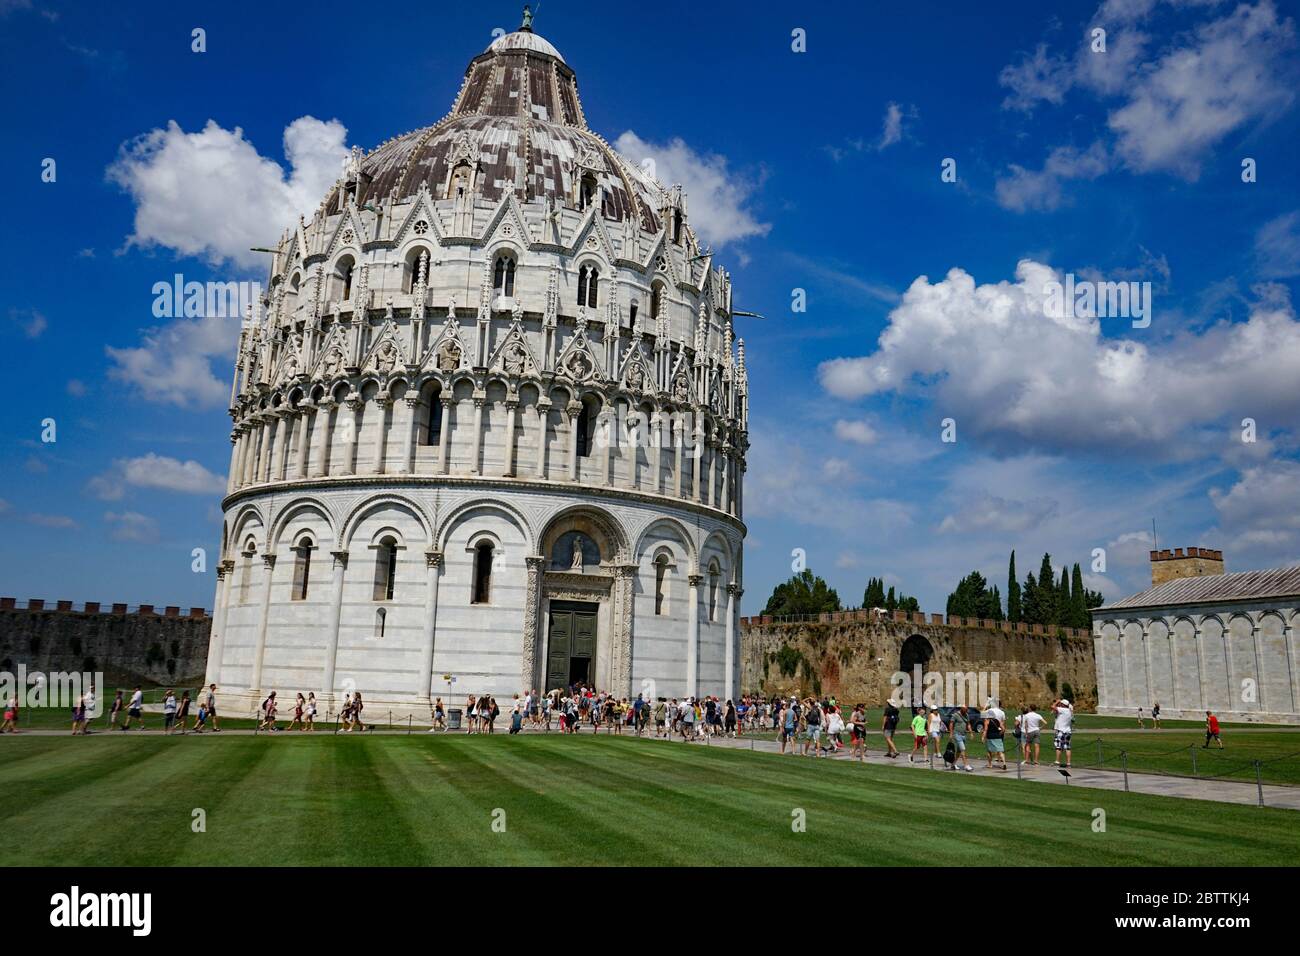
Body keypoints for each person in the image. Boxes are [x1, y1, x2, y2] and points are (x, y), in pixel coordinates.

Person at [983, 699, 1008, 770]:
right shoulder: (1002, 712)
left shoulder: (989, 711)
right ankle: (1003, 762)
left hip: (990, 733)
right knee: (1000, 749)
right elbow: (1003, 723)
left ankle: (990, 764)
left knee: (989, 750)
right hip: (999, 732)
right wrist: (1002, 732)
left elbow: (981, 714)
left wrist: (985, 706)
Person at [947, 705, 974, 772]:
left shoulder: (966, 715)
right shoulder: (955, 715)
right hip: (957, 734)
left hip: (963, 735)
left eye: (967, 710)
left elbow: (968, 724)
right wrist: (951, 733)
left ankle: (953, 764)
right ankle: (966, 765)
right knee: (963, 749)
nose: (966, 711)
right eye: (965, 710)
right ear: (962, 709)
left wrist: (971, 733)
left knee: (959, 752)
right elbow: (951, 724)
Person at [1051, 698, 1073, 767]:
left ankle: (1057, 762)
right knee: (1068, 748)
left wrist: (1057, 702)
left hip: (1061, 731)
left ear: (1063, 705)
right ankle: (1068, 763)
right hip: (1068, 731)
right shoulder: (1069, 711)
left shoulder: (1063, 710)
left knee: (1058, 747)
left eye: (1061, 704)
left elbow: (1052, 707)